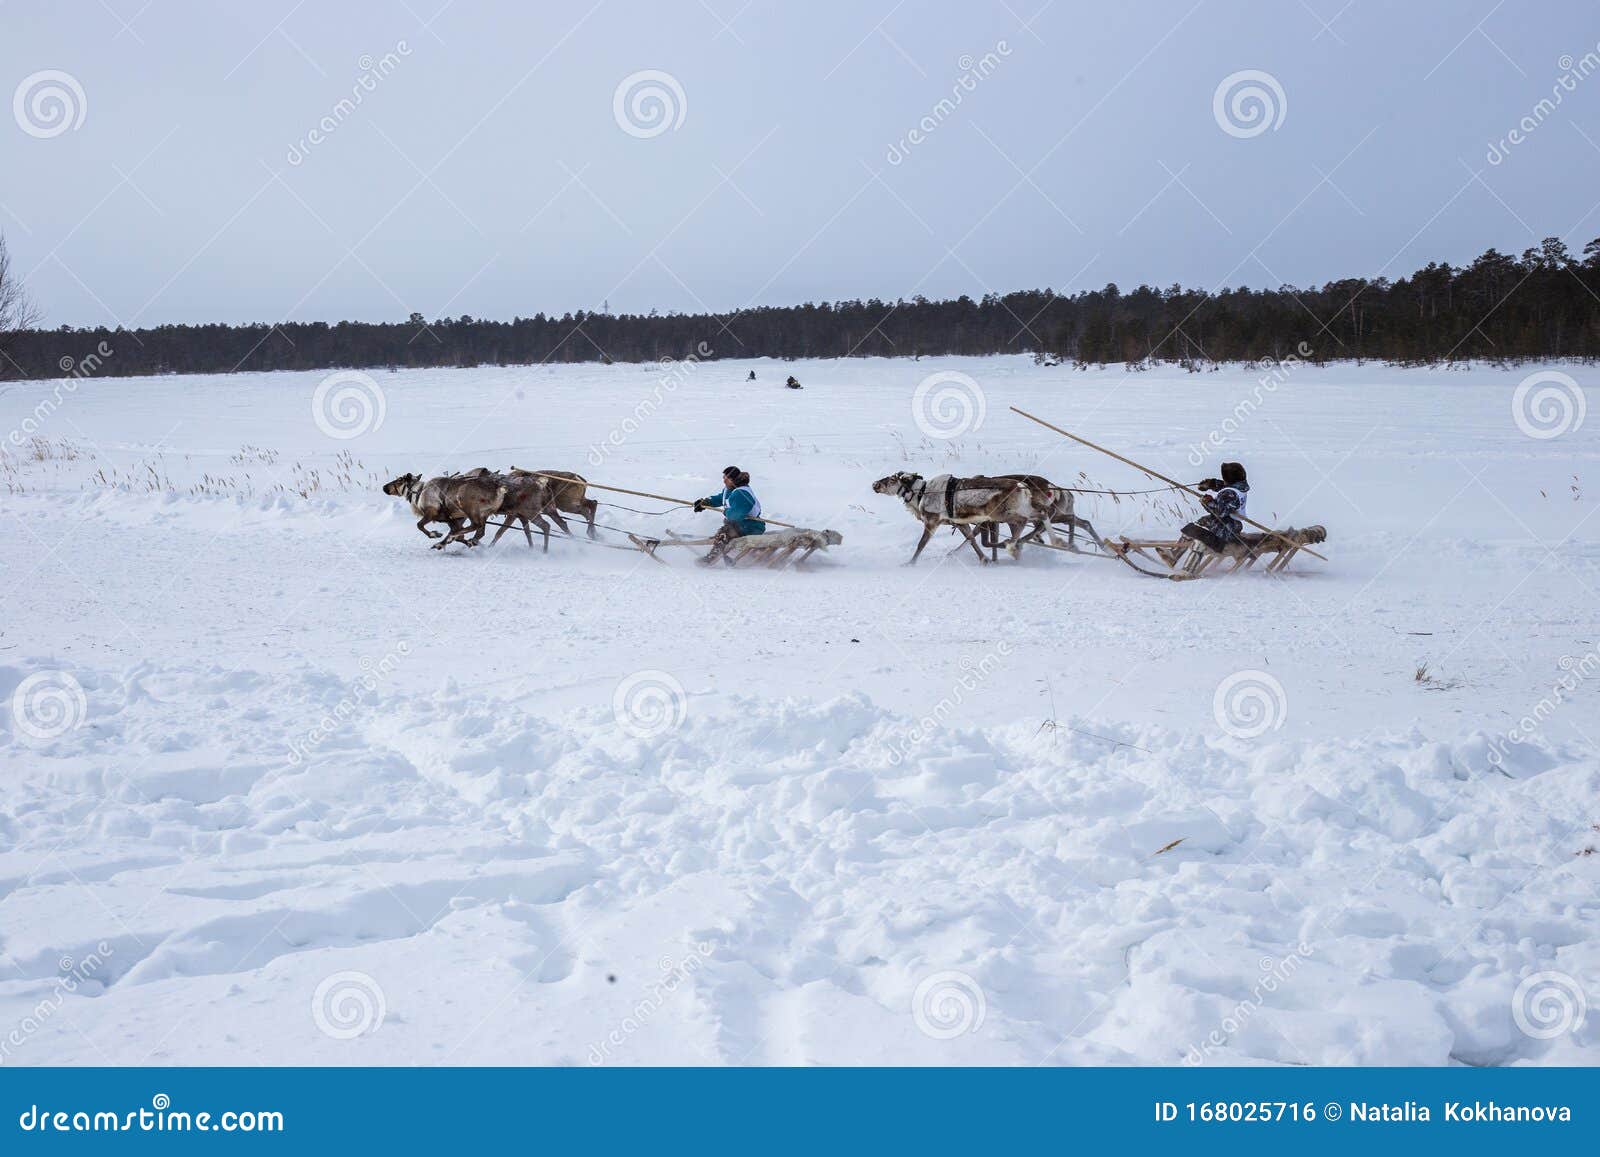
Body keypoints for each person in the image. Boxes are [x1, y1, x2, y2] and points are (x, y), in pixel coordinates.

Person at [693, 466, 766, 566]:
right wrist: (705, 502)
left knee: (724, 533)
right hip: (740, 525)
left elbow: (735, 515)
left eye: (726, 478)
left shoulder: (742, 493)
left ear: (733, 479)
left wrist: (726, 511)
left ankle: (711, 559)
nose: (724, 480)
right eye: (723, 477)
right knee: (725, 531)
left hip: (751, 527)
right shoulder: (730, 489)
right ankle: (725, 550)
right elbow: (720, 498)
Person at [1182, 461, 1250, 552]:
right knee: (1199, 524)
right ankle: (1175, 552)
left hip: (1223, 529)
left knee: (1195, 532)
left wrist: (1208, 502)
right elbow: (1228, 486)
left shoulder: (1229, 493)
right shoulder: (1241, 486)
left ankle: (1183, 559)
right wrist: (1212, 484)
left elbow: (1220, 512)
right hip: (1233, 525)